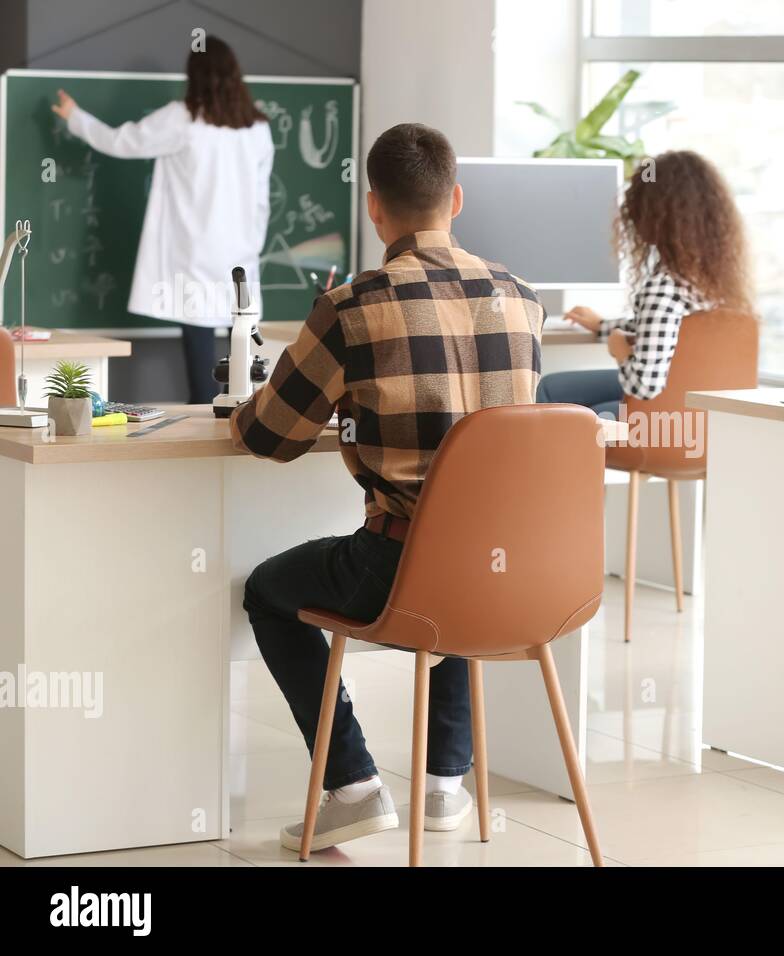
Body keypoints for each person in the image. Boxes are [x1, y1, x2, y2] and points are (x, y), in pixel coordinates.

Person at [231, 124, 545, 851]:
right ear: (456, 198)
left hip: (398, 574)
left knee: (268, 590)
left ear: (375, 209)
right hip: (512, 578)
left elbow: (268, 437)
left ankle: (353, 784)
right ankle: (444, 787)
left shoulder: (352, 306)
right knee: (465, 536)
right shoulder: (524, 299)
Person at [53, 36, 273, 404]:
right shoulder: (258, 128)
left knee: (201, 358)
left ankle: (205, 434)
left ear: (194, 75)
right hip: (240, 256)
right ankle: (233, 436)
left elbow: (122, 141)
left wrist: (76, 118)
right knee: (240, 361)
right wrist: (254, 244)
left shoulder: (183, 118)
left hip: (194, 252)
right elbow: (263, 200)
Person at [536, 150, 752, 417]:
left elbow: (643, 386)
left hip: (657, 421)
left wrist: (620, 350)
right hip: (700, 418)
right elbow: (665, 331)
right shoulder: (714, 286)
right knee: (555, 388)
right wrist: (603, 326)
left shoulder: (662, 291)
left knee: (567, 407)